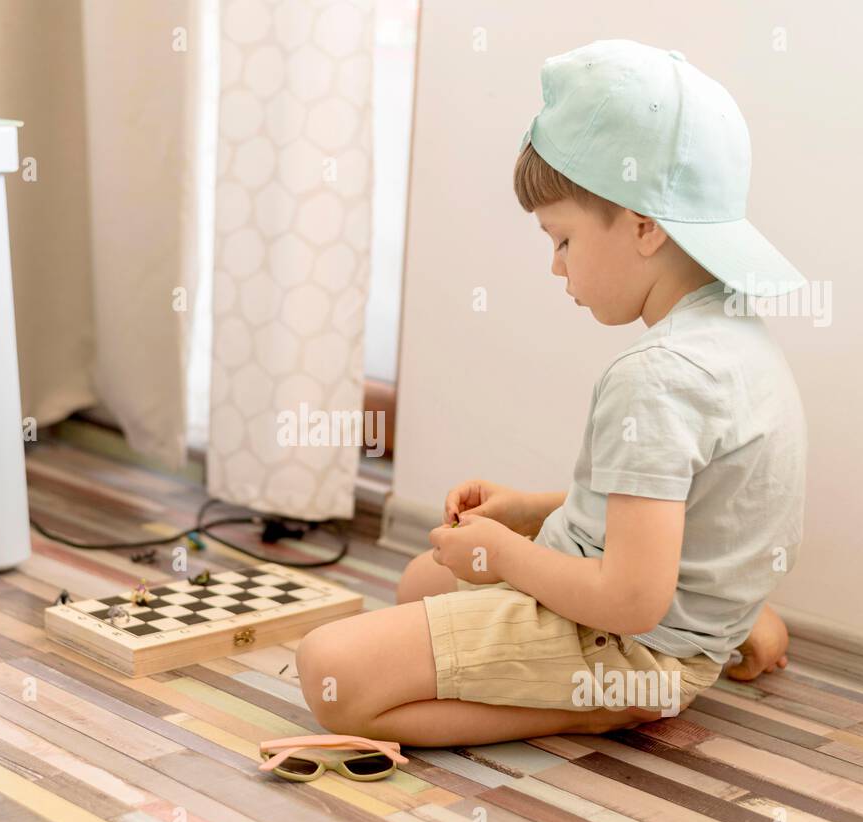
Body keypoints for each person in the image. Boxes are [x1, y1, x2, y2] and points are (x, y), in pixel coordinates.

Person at [297, 39, 805, 748]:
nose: (555, 265)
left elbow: (628, 598)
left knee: (332, 673)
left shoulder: (659, 378)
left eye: (561, 239)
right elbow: (661, 507)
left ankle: (618, 701)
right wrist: (530, 513)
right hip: (672, 615)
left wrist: (505, 556)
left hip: (630, 640)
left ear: (644, 224)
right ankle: (732, 628)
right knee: (422, 580)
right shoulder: (734, 338)